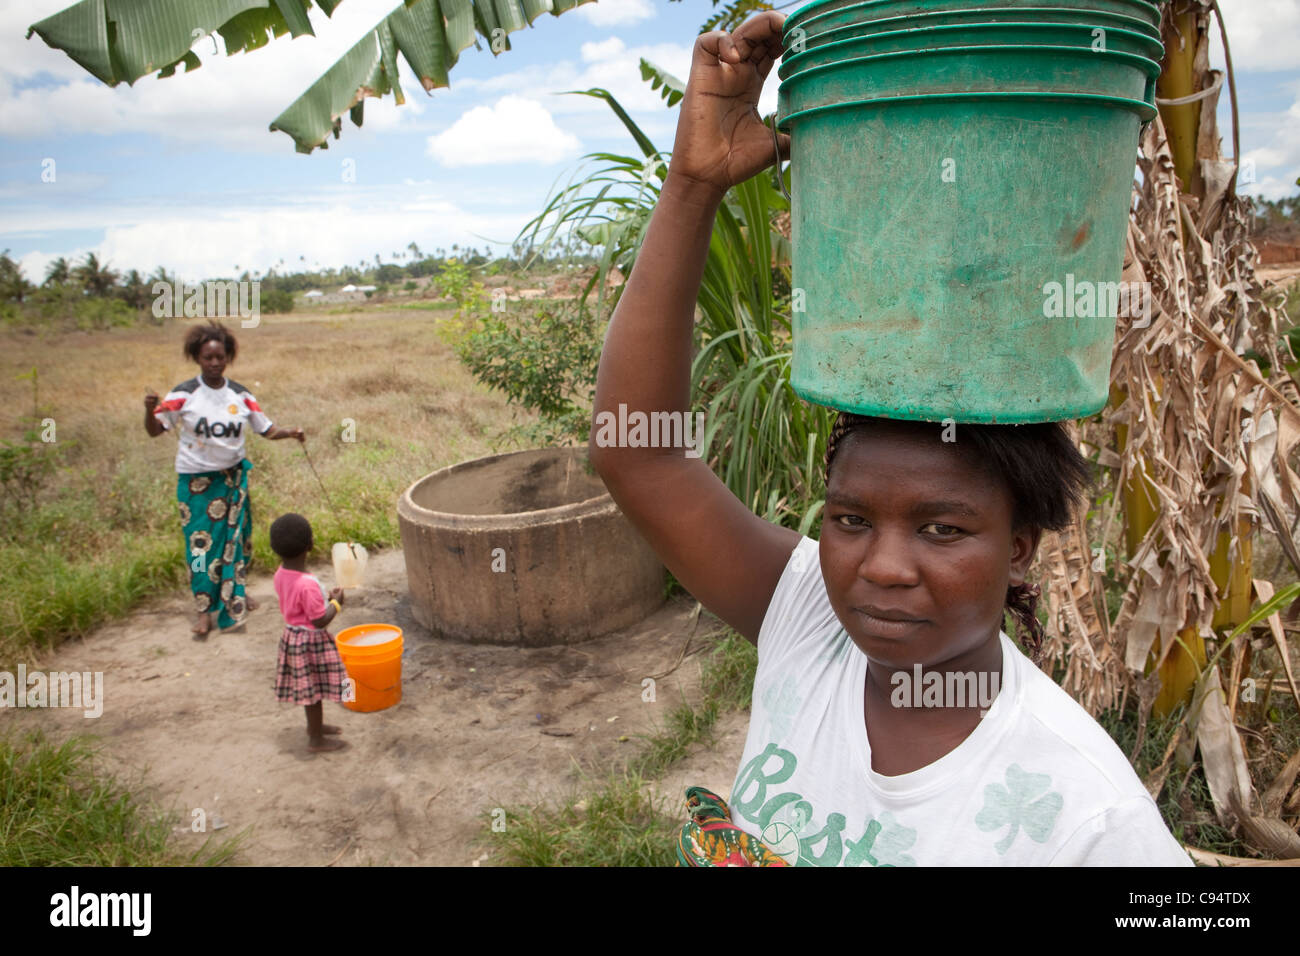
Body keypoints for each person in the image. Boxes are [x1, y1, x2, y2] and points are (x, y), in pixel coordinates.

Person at [589, 12, 1191, 866]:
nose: (881, 566)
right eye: (850, 519)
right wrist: (694, 184)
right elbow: (638, 454)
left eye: (942, 528)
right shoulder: (808, 625)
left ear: (1020, 546)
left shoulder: (1087, 819)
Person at [143, 321, 305, 637]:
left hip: (233, 482)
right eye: (208, 358)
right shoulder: (183, 395)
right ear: (197, 358)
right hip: (196, 486)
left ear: (228, 357)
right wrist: (149, 411)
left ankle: (236, 594)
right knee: (200, 550)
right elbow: (155, 430)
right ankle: (205, 610)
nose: (215, 364)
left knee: (238, 541)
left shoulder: (241, 395)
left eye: (220, 357)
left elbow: (266, 429)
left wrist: (292, 433)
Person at [269, 512, 348, 753]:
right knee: (314, 692)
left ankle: (316, 726)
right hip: (310, 643)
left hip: (293, 637)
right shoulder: (307, 584)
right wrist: (336, 603)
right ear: (310, 545)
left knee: (313, 689)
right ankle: (315, 739)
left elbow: (301, 608)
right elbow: (319, 620)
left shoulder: (280, 574)